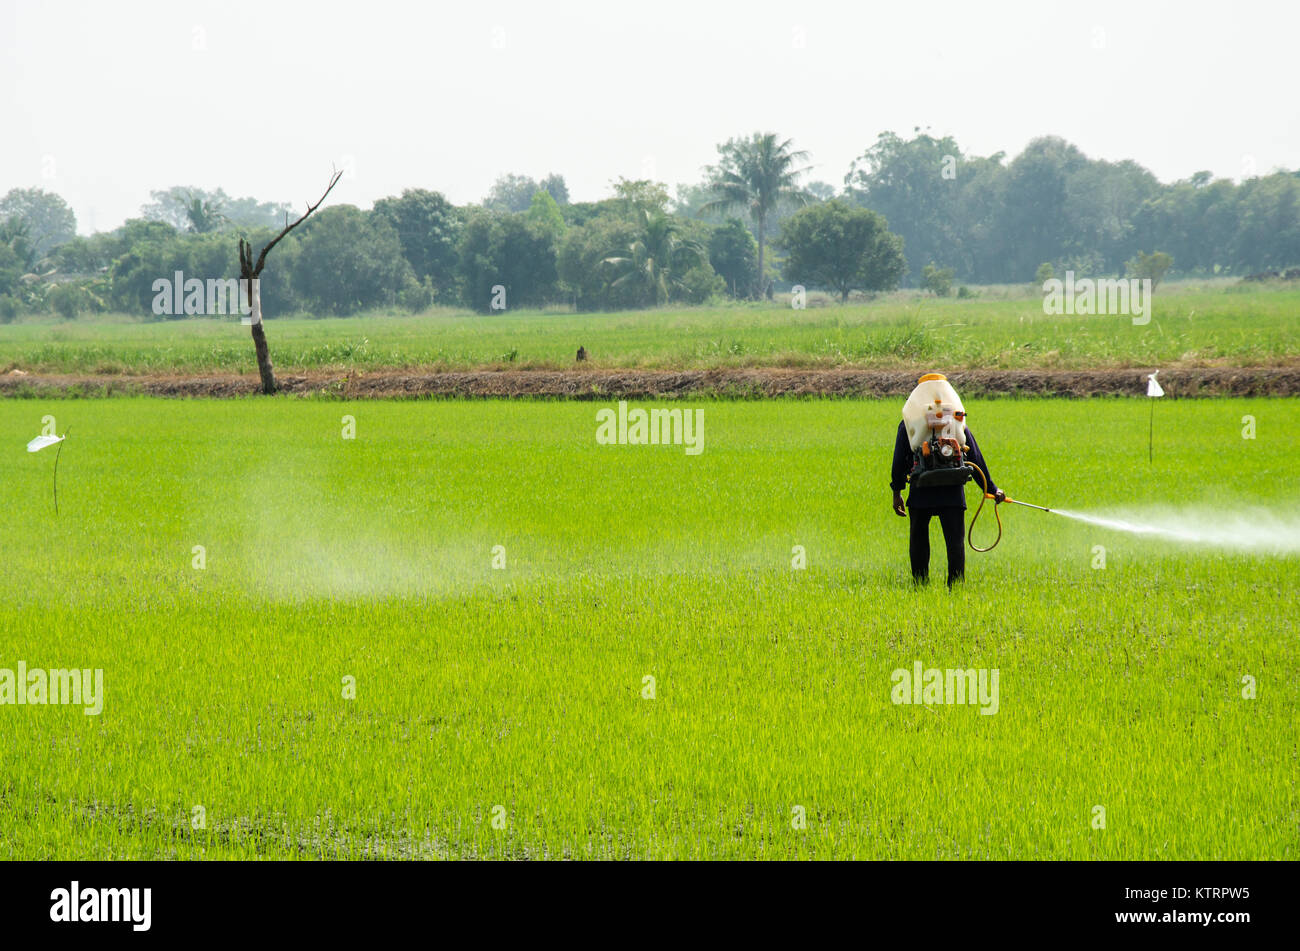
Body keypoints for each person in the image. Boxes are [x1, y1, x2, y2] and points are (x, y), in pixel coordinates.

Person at [889, 387, 1004, 587]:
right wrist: (992, 490)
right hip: (952, 491)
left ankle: (920, 585)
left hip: (921, 489)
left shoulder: (910, 423)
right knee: (955, 543)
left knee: (918, 540)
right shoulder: (956, 421)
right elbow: (975, 458)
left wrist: (897, 492)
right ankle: (956, 587)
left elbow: (899, 459)